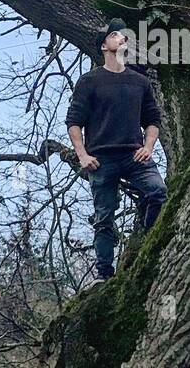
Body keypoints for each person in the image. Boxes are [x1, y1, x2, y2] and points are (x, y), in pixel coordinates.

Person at [65, 19, 167, 280]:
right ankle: (104, 274)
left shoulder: (139, 82)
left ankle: (149, 243)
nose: (121, 38)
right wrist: (83, 155)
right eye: (114, 35)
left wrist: (148, 146)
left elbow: (153, 120)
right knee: (104, 218)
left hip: (134, 154)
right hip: (101, 159)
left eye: (123, 35)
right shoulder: (89, 81)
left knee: (158, 191)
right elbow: (74, 122)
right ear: (103, 46)